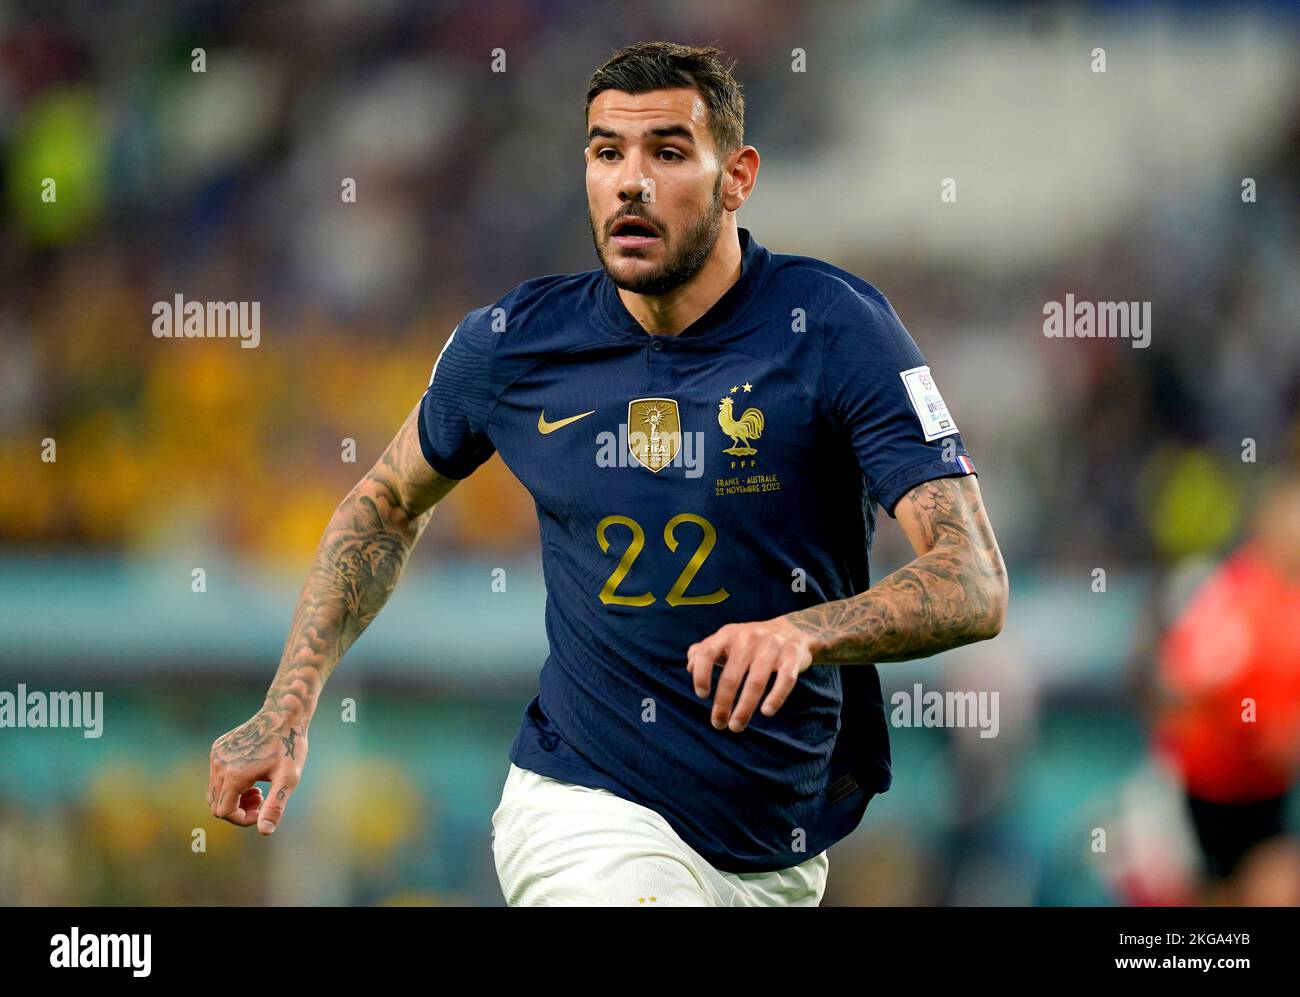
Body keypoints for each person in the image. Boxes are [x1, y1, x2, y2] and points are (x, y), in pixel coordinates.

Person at [208, 41, 1008, 907]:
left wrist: (806, 630)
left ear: (737, 177)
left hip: (773, 853)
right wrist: (288, 705)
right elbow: (385, 504)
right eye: (606, 153)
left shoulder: (837, 329)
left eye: (667, 152)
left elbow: (972, 579)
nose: (631, 181)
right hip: (585, 808)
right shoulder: (514, 343)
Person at [1154, 470, 1300, 904]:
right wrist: (1250, 729)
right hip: (1211, 789)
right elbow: (1178, 683)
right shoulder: (1232, 598)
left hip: (1268, 790)